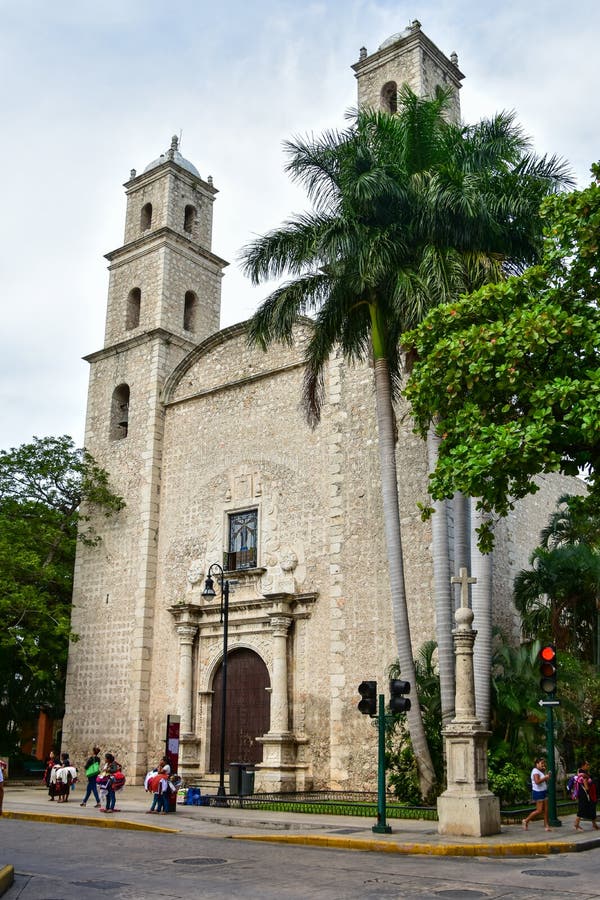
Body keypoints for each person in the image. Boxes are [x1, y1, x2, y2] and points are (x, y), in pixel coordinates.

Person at [523, 756, 552, 831]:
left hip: (543, 791)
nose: (543, 764)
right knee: (539, 810)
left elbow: (543, 781)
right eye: (541, 763)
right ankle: (526, 821)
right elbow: (537, 782)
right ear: (537, 764)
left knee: (546, 810)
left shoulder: (540, 771)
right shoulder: (535, 771)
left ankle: (546, 825)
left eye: (544, 763)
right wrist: (545, 777)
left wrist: (546, 776)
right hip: (538, 792)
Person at [573, 761, 599, 831]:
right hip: (585, 793)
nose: (588, 766)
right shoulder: (583, 774)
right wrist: (588, 790)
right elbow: (585, 784)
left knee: (592, 807)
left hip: (586, 793)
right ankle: (576, 824)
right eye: (587, 765)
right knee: (582, 808)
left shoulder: (582, 772)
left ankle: (594, 824)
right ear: (583, 766)